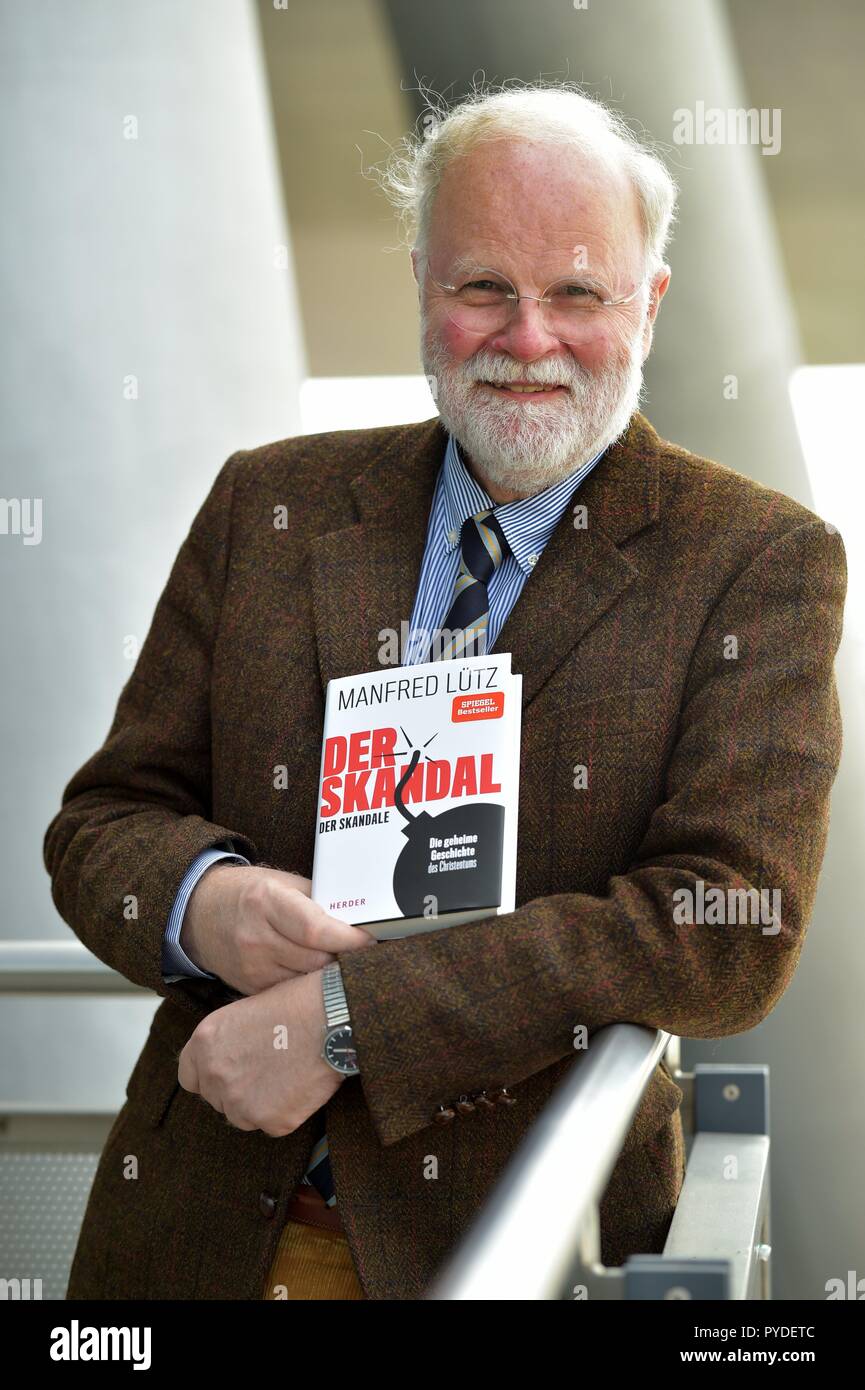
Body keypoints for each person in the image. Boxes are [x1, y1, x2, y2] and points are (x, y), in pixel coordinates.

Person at [44, 83, 846, 1301]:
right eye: (483, 288)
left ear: (651, 302)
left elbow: (724, 921)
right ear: (421, 280)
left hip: (517, 1242)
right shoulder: (268, 508)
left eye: (577, 292)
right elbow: (101, 824)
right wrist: (204, 902)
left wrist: (349, 1018)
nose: (527, 340)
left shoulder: (755, 559)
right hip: (192, 1233)